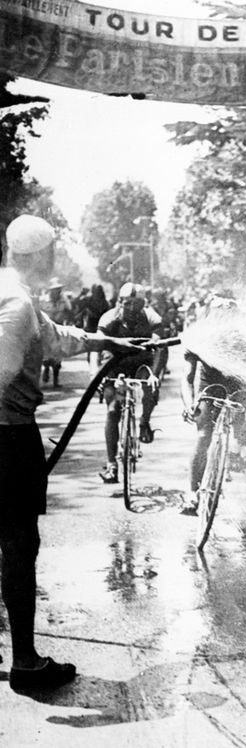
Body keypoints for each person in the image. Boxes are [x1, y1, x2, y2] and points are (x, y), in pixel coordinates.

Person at [0, 215, 144, 690]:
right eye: (52, 253)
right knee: (20, 545)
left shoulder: (13, 295)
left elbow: (57, 337)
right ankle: (25, 663)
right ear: (39, 255)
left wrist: (105, 342)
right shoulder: (17, 304)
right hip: (7, 436)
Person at [178, 320, 246, 516]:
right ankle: (193, 492)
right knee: (203, 435)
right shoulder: (198, 340)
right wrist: (189, 405)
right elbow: (187, 378)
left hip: (240, 383)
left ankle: (239, 448)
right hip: (210, 383)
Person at [97, 283, 165, 484]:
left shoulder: (151, 317)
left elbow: (160, 348)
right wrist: (96, 374)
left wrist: (156, 375)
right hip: (114, 364)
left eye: (137, 304)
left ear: (143, 304)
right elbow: (96, 346)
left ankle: (144, 422)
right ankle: (111, 464)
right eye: (127, 304)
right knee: (112, 410)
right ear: (120, 303)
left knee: (151, 389)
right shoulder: (109, 319)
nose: (131, 309)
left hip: (140, 363)